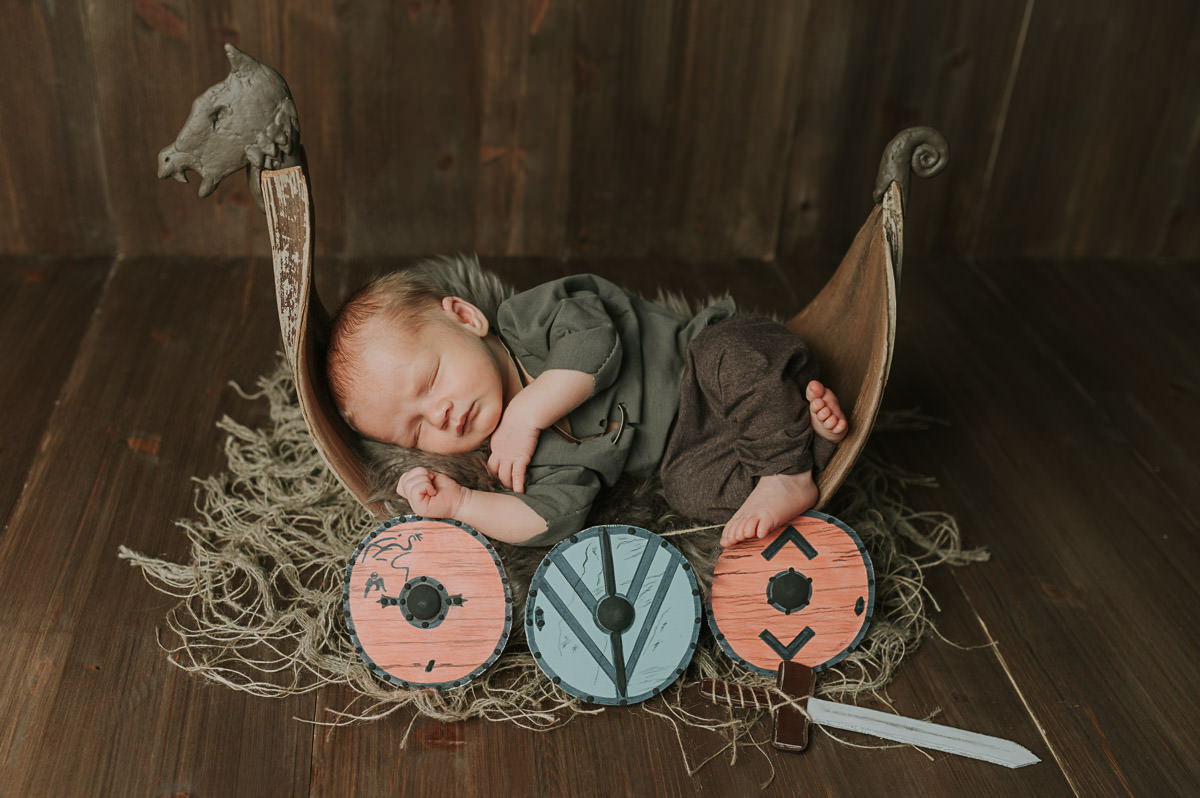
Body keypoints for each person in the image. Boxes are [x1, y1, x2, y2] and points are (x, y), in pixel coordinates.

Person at [326, 266, 847, 548]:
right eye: (416, 432)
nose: (438, 413)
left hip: (700, 362)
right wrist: (462, 503)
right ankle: (810, 446)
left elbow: (597, 342)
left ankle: (785, 470)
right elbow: (546, 519)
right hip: (688, 446)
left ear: (466, 318)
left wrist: (527, 413)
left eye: (430, 380)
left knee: (728, 356)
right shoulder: (525, 462)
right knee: (690, 491)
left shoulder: (529, 319)